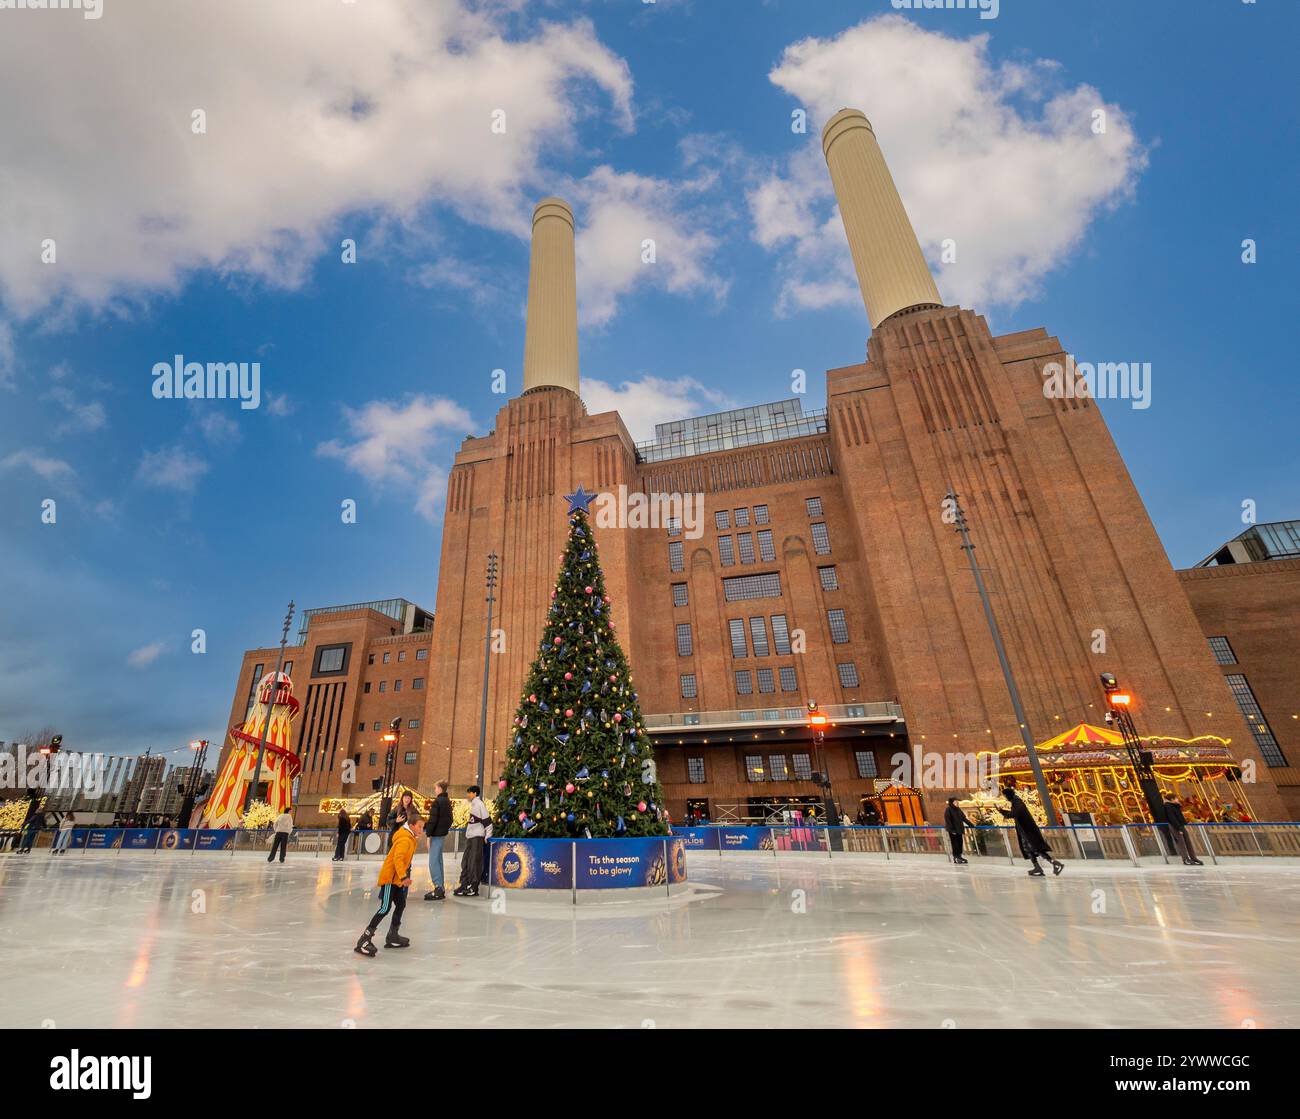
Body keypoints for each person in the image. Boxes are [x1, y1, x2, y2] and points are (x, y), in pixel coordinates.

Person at [354, 815, 423, 956]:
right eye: (420, 827)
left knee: (401, 904)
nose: (422, 830)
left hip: (397, 879)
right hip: (391, 879)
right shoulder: (404, 839)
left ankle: (393, 935)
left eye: (423, 827)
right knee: (385, 908)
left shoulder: (409, 838)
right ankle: (364, 938)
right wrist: (404, 876)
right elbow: (398, 859)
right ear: (411, 825)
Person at [996, 785, 1063, 877]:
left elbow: (1015, 813)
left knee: (1036, 848)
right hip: (1024, 831)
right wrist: (1002, 811)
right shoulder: (1015, 802)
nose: (1005, 798)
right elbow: (1014, 813)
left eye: (1005, 796)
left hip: (1028, 831)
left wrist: (1003, 812)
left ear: (1008, 795)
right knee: (1029, 849)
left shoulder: (1017, 802)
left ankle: (1055, 863)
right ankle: (1037, 867)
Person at [454, 785, 490, 897]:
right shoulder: (473, 805)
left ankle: (473, 887)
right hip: (471, 838)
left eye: (469, 793)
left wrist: (488, 835)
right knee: (466, 861)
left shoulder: (479, 805)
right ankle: (465, 884)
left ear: (474, 793)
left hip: (477, 838)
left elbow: (487, 821)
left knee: (474, 862)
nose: (468, 795)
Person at [423, 781, 452, 901]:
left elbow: (432, 820)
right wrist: (444, 829)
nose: (435, 790)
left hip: (435, 835)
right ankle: (441, 887)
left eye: (435, 788)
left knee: (433, 861)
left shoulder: (437, 802)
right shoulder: (447, 802)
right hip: (441, 835)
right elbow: (450, 819)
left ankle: (438, 888)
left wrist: (428, 835)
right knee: (439, 861)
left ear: (440, 788)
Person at [1161, 793, 1203, 866]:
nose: (1178, 799)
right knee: (1181, 843)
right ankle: (1185, 859)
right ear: (1172, 799)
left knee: (1188, 841)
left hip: (1181, 825)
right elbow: (1172, 818)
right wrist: (1178, 828)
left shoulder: (1175, 806)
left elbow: (1179, 815)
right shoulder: (1168, 807)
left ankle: (1193, 857)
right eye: (1176, 798)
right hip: (1175, 826)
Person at [943, 797, 976, 865]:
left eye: (957, 802)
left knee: (960, 843)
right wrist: (952, 830)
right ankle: (956, 857)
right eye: (956, 802)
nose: (957, 803)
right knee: (955, 844)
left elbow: (964, 818)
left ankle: (959, 856)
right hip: (953, 831)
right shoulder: (948, 810)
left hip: (959, 830)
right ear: (952, 802)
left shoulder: (958, 810)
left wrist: (971, 824)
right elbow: (948, 820)